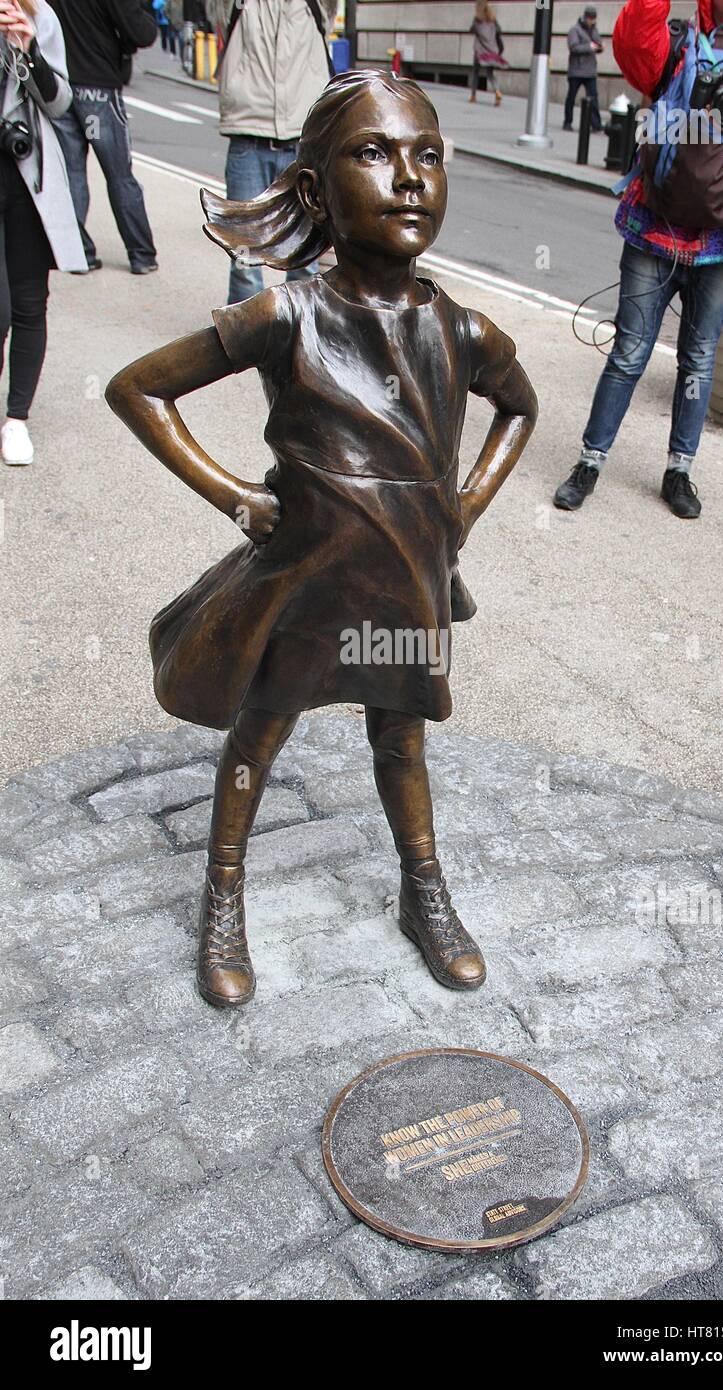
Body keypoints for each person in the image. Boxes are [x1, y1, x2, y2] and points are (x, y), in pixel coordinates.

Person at [106, 71, 538, 1009]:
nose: (411, 176)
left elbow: (518, 410)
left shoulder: (460, 327)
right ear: (314, 190)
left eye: (428, 154)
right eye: (375, 153)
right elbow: (140, 388)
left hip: (410, 580)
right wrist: (233, 496)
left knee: (403, 739)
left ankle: (424, 894)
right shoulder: (286, 316)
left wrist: (462, 507)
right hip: (306, 583)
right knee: (262, 733)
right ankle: (224, 894)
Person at [554, 0, 723, 519]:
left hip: (722, 240)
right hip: (652, 230)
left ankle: (679, 471)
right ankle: (589, 462)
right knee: (629, 353)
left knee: (698, 360)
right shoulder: (677, 43)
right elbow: (634, 46)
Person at [0, 0, 86, 466]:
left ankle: (16, 420)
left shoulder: (40, 15)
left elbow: (59, 103)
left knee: (30, 304)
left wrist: (27, 49)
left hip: (27, 177)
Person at [218, 0, 334, 303]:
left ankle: (302, 340)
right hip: (248, 140)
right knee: (243, 257)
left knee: (306, 258)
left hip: (303, 144)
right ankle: (245, 342)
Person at [49, 0, 158, 274]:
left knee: (71, 172)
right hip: (98, 90)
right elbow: (142, 32)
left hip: (60, 86)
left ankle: (79, 252)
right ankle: (141, 253)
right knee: (119, 174)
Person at [563, 6, 604, 132]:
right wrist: (589, 47)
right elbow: (574, 47)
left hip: (590, 71)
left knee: (593, 98)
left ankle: (596, 124)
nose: (592, 21)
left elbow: (598, 43)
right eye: (590, 18)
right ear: (585, 17)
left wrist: (599, 47)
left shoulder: (594, 30)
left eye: (594, 18)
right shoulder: (575, 30)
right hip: (576, 70)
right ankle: (567, 122)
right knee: (571, 97)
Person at [469, 1, 505, 106]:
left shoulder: (477, 21)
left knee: (475, 73)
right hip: (492, 52)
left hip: (480, 52)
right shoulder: (493, 21)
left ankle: (473, 96)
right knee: (490, 74)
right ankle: (497, 91)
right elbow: (499, 33)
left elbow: (471, 30)